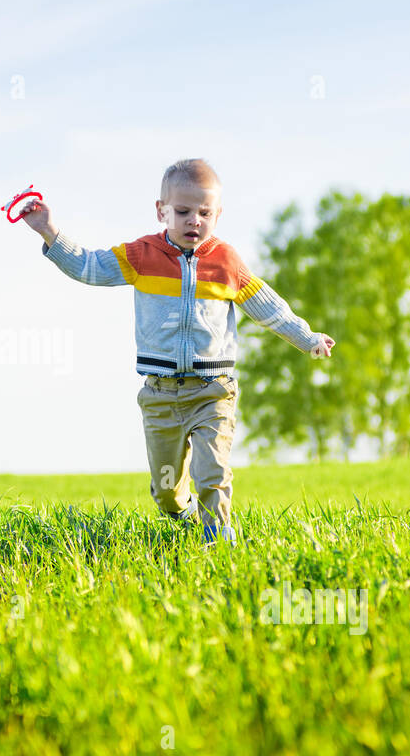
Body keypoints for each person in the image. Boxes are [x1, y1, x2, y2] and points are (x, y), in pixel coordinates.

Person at [19, 158, 334, 543]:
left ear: (218, 214)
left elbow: (268, 308)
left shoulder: (227, 263)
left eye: (205, 213)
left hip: (212, 391)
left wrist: (309, 338)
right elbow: (90, 267)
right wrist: (49, 231)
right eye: (183, 212)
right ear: (161, 211)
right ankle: (179, 513)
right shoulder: (141, 256)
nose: (194, 221)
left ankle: (216, 536)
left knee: (212, 471)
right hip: (161, 394)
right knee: (167, 490)